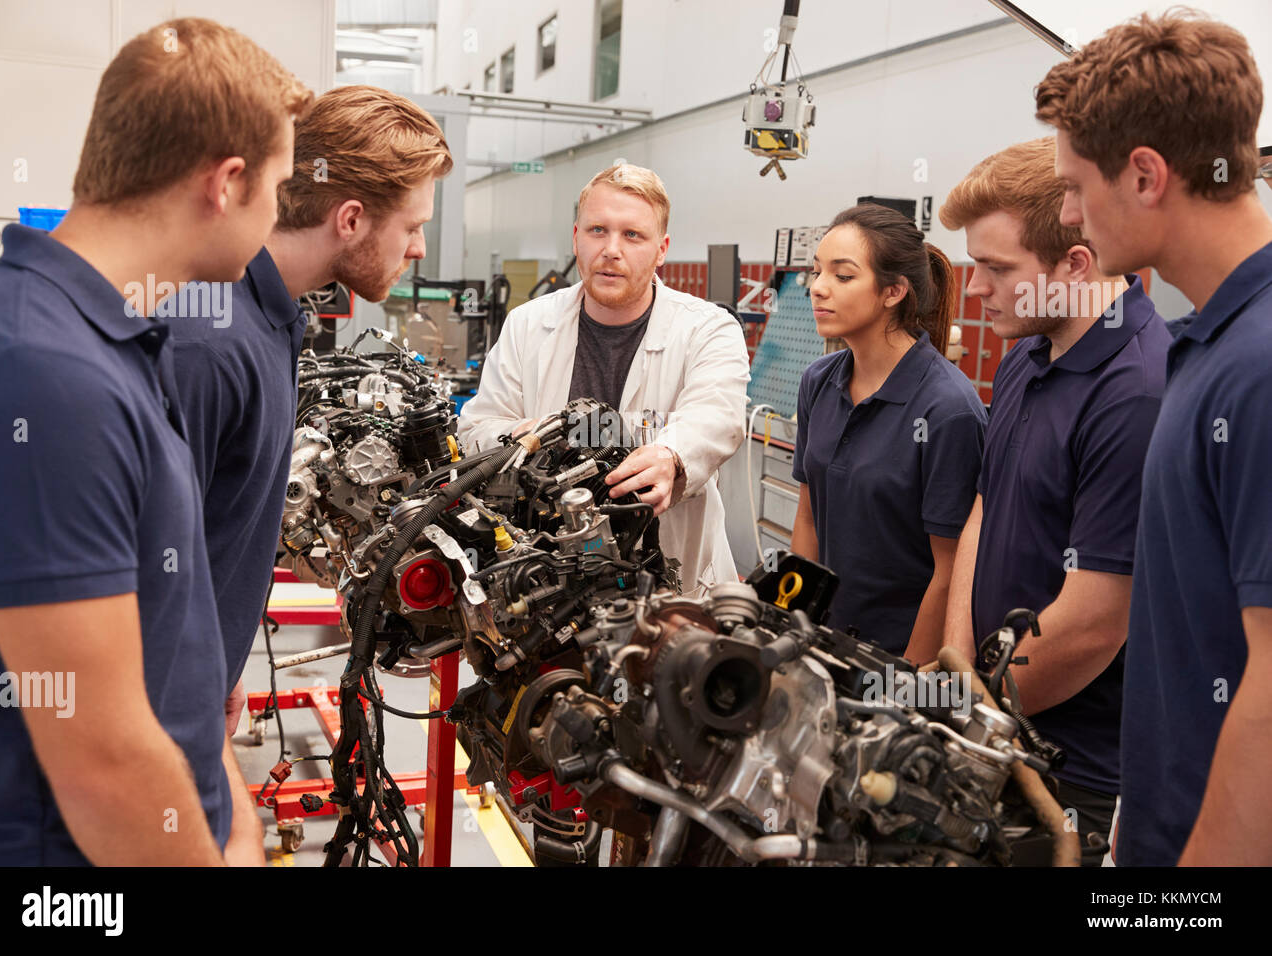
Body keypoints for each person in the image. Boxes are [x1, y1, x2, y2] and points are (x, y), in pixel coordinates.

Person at [0, 18, 311, 865]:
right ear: (226, 183)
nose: (278, 211)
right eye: (279, 185)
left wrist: (228, 803)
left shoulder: (112, 341)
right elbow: (102, 761)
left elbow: (169, 641)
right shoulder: (42, 371)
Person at [1036, 11, 1272, 866]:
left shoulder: (1259, 362)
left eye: (1073, 184)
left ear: (1144, 174)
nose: (1067, 212)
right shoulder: (1210, 339)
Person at [168, 85, 452, 741]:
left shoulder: (269, 320)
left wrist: (221, 655)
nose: (418, 251)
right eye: (413, 228)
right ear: (349, 219)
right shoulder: (208, 343)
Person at [938, 137, 1169, 865]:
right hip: (985, 726)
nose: (975, 290)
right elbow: (983, 509)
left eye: (996, 268)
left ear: (1074, 265)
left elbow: (1095, 623)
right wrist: (956, 675)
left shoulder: (1136, 392)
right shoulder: (1027, 355)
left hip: (1066, 771)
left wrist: (971, 710)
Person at [457, 164, 749, 596]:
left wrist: (671, 456)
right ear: (576, 237)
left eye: (633, 235)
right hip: (545, 581)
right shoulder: (528, 324)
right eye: (598, 230)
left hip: (672, 583)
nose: (612, 249)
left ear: (661, 249)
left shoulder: (707, 329)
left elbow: (716, 417)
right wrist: (518, 439)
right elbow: (476, 426)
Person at [789, 203, 985, 661]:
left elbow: (951, 569)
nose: (817, 289)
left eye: (842, 276)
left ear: (893, 291)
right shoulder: (818, 381)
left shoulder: (948, 410)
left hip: (894, 657)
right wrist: (792, 626)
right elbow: (808, 518)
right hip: (819, 643)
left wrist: (903, 684)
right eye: (817, 272)